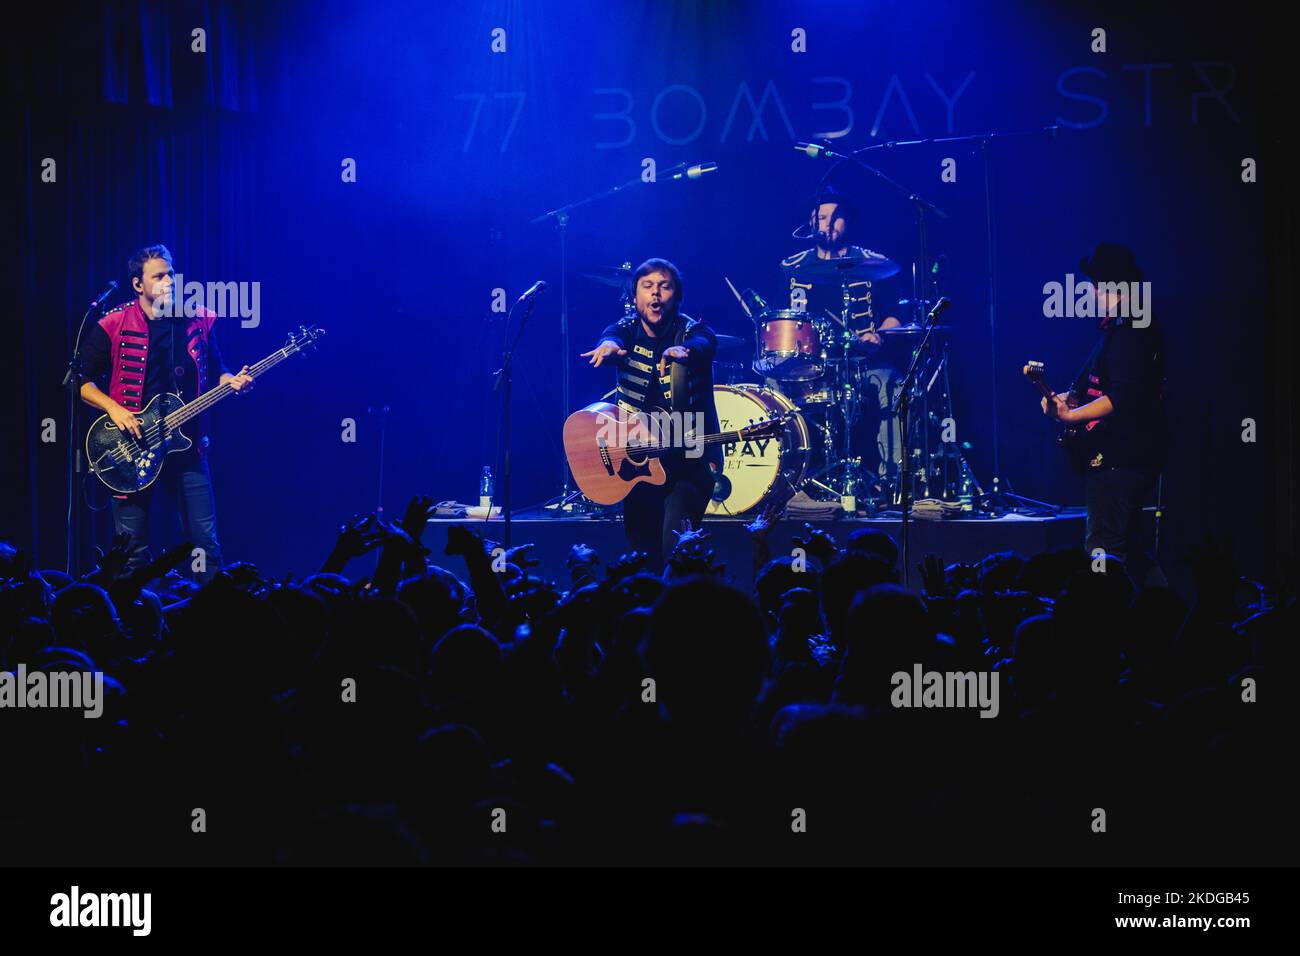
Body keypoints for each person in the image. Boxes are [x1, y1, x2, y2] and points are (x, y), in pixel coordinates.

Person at [78, 243, 254, 583]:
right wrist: (114, 409)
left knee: (206, 544)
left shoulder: (197, 318)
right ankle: (136, 629)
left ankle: (216, 620)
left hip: (187, 448)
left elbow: (219, 367)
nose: (169, 282)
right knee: (132, 553)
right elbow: (79, 380)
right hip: (133, 447)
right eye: (158, 276)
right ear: (137, 284)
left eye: (171, 274)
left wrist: (230, 380)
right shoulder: (113, 322)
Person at [1040, 243, 1167, 583]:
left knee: (1105, 552)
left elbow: (1123, 396)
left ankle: (1108, 626)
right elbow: (1106, 385)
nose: (1090, 291)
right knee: (1132, 550)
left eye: (1094, 283)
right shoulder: (1122, 326)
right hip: (1124, 457)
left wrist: (1070, 416)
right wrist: (1070, 398)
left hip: (1120, 459)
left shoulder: (1132, 330)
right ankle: (1164, 618)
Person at [581, 258, 719, 567]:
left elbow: (705, 343)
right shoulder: (626, 329)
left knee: (676, 553)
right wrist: (608, 345)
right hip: (640, 467)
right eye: (648, 287)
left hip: (688, 464)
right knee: (643, 558)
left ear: (677, 296)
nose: (655, 294)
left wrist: (684, 352)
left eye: (664, 286)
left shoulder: (693, 330)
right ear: (635, 297)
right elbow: (612, 334)